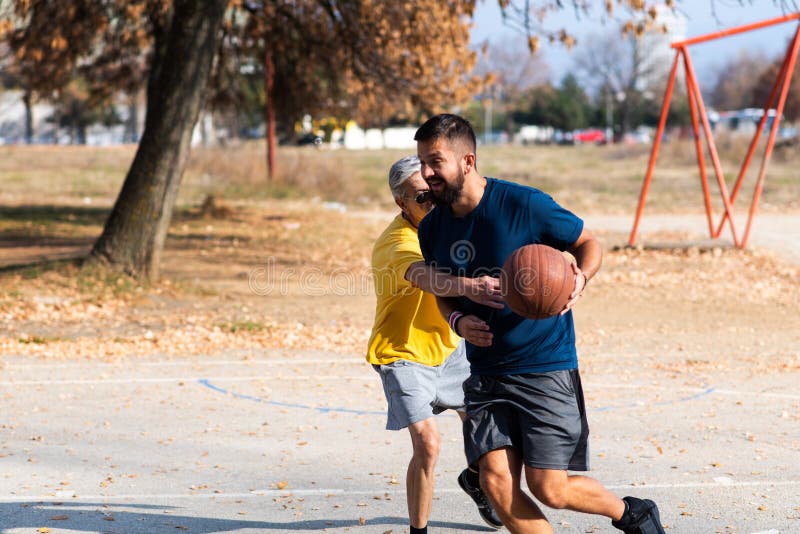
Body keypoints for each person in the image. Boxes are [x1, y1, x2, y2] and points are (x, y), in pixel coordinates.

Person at [414, 114, 665, 534]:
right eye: (421, 161)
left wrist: (581, 277)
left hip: (543, 364)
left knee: (550, 488)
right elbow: (442, 291)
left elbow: (588, 242)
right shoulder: (433, 227)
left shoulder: (523, 205)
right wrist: (456, 319)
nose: (425, 173)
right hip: (485, 372)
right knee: (496, 483)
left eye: (435, 162)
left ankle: (632, 513)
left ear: (468, 161)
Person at [366, 156, 503, 533]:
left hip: (450, 348)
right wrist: (470, 287)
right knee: (427, 443)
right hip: (403, 354)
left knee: (491, 432)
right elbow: (425, 277)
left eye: (435, 193)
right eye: (421, 198)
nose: (432, 203)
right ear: (401, 204)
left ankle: (475, 478)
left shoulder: (451, 228)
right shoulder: (395, 242)